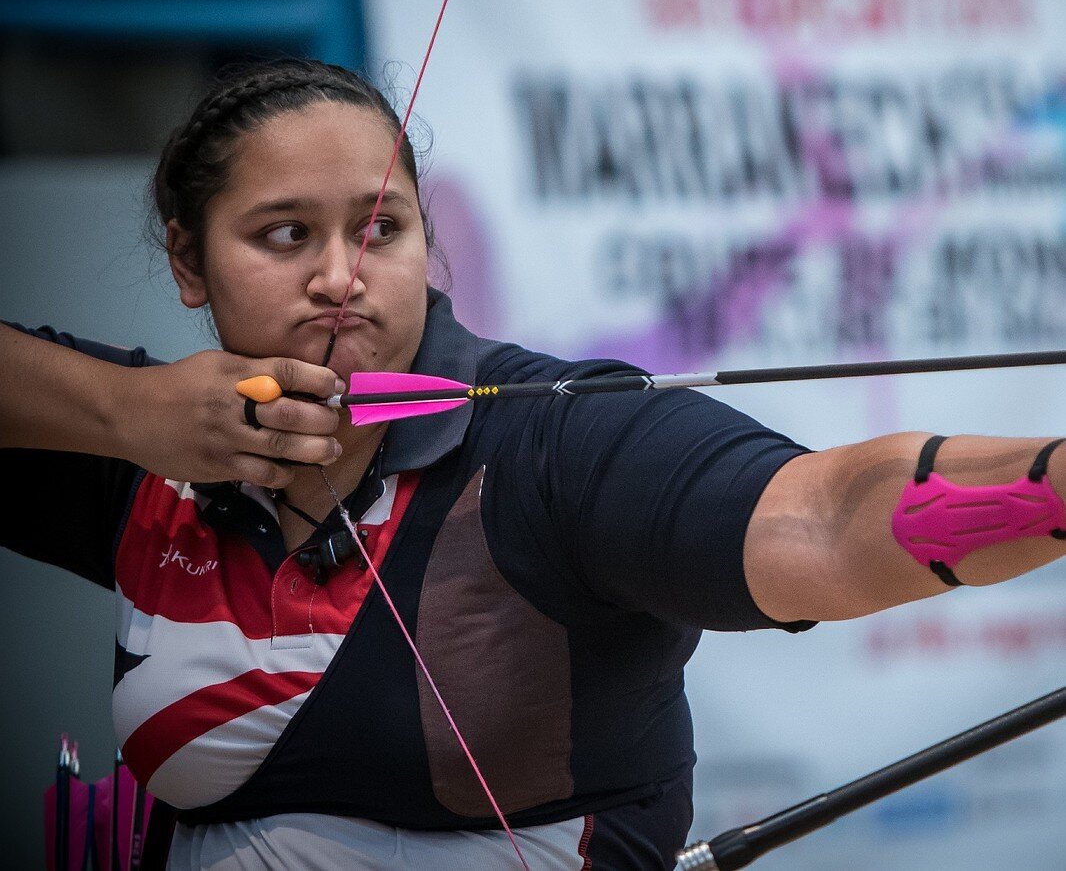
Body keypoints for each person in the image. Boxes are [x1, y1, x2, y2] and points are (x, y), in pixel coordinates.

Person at [2, 57, 1064, 871]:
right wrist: (125, 409)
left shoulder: (552, 443)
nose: (341, 277)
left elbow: (826, 517)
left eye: (382, 230)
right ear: (189, 260)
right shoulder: (143, 447)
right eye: (285, 235)